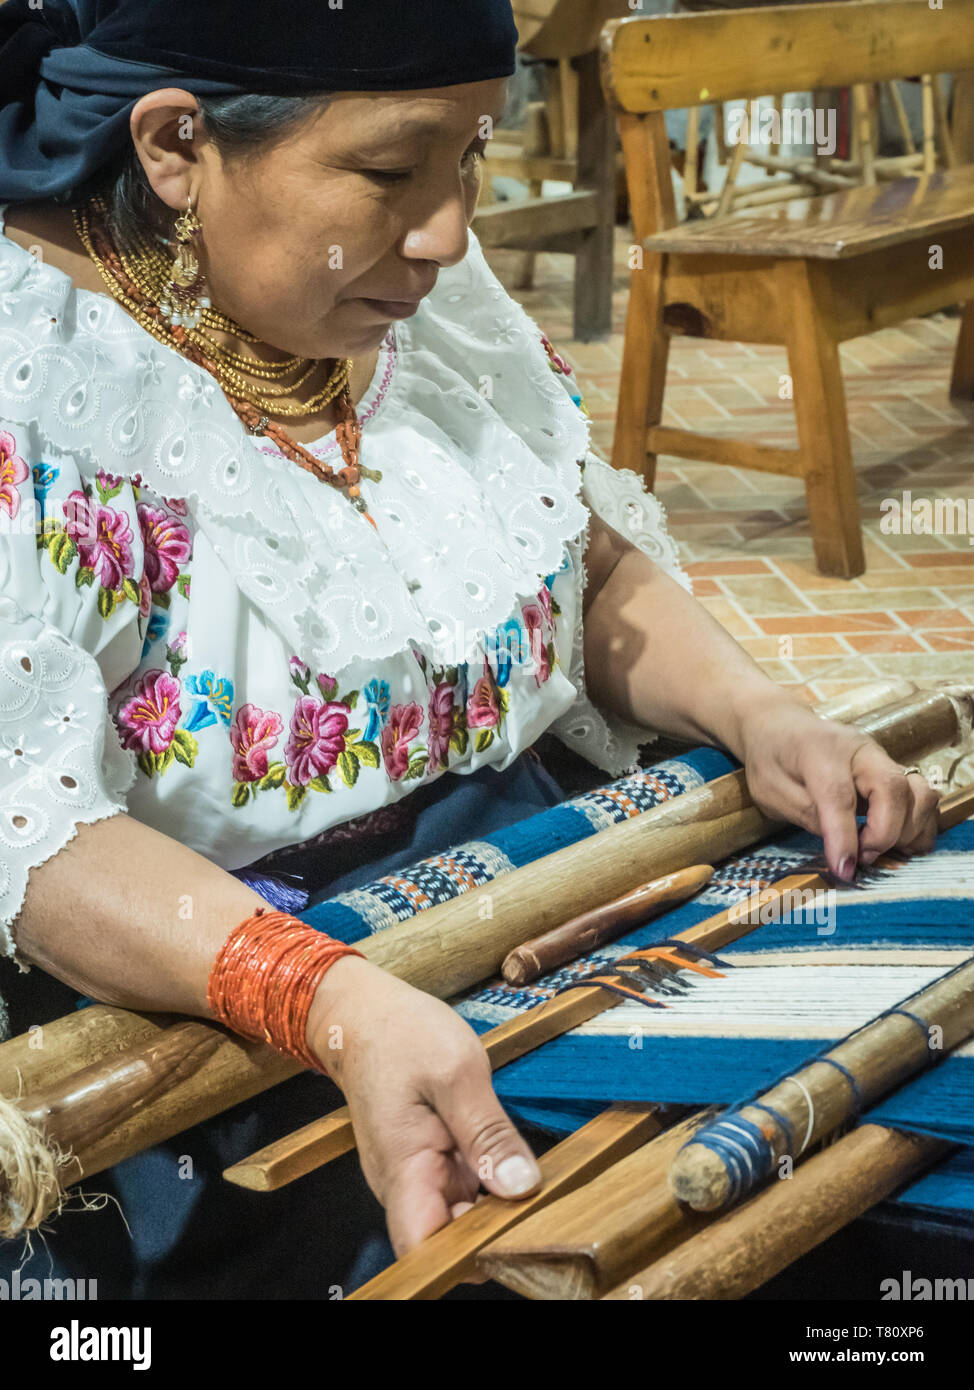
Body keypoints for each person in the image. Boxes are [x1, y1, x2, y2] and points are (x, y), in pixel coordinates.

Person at [0, 0, 939, 1297]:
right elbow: (31, 829)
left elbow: (574, 557)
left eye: (470, 161)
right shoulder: (36, 389)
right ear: (175, 147)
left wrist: (756, 710)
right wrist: (331, 1001)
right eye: (391, 170)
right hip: (240, 1028)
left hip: (544, 898)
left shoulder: (400, 303)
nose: (449, 233)